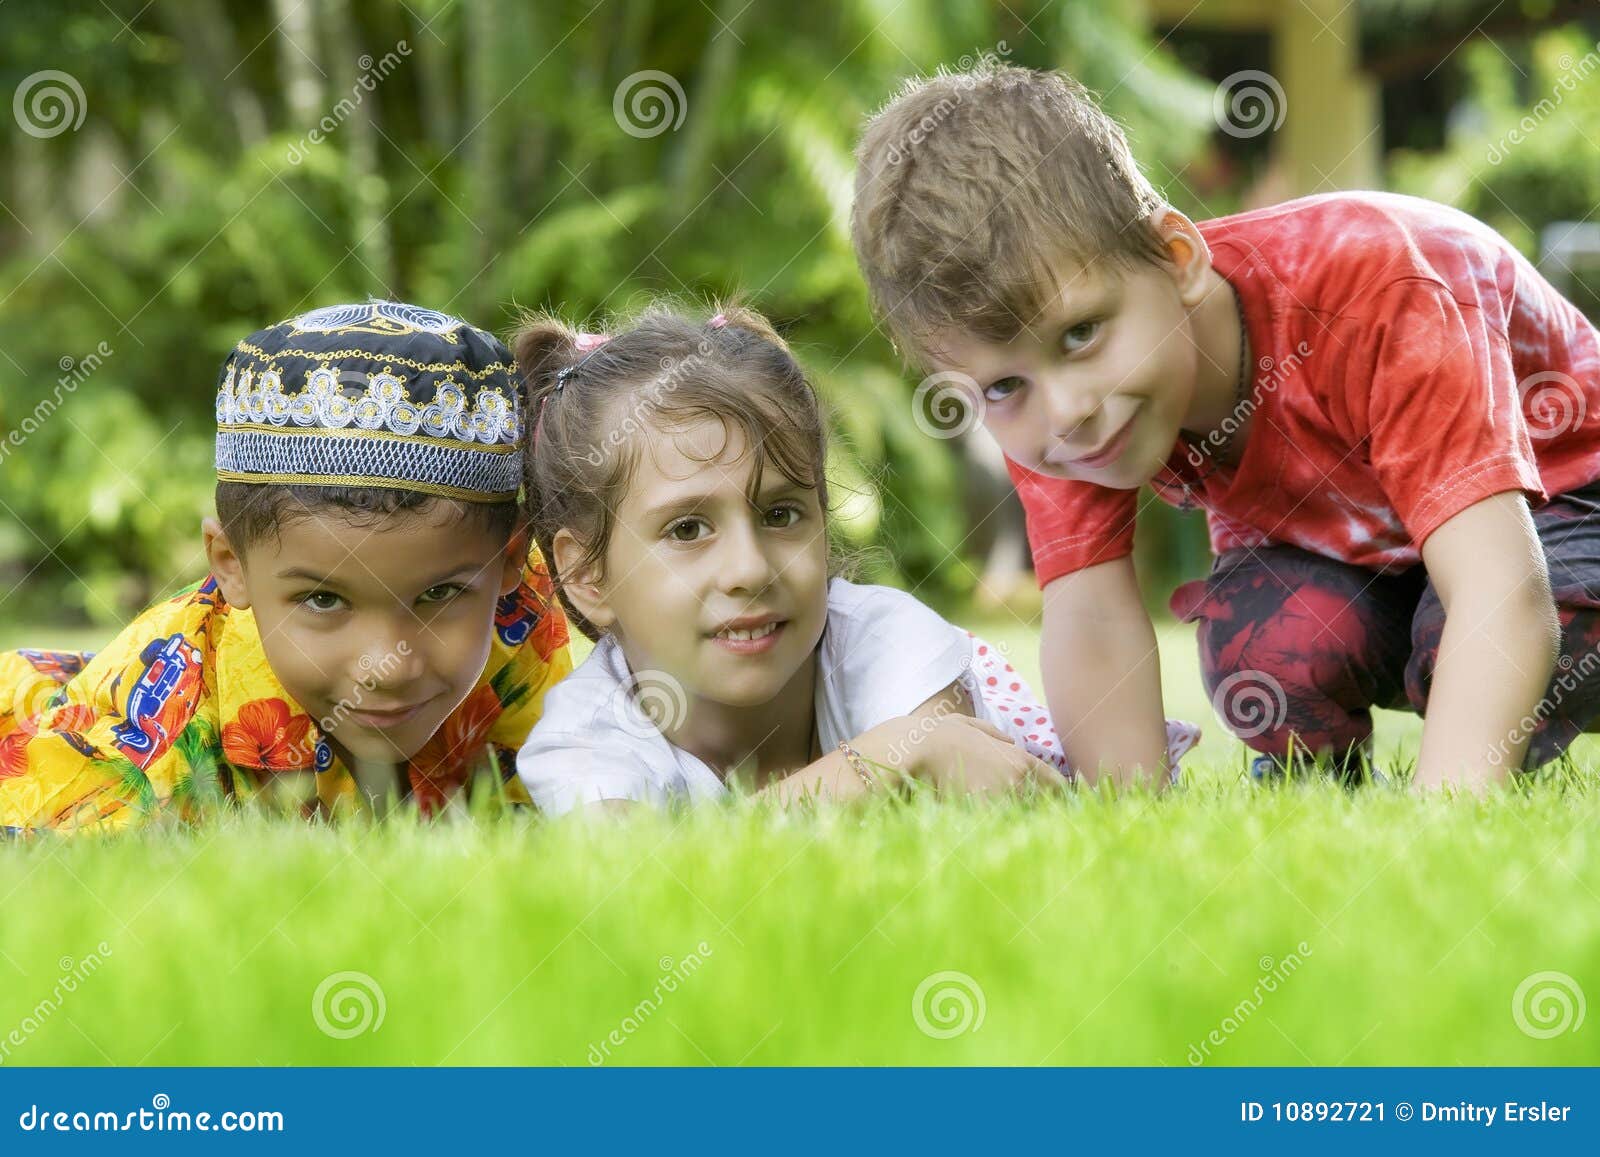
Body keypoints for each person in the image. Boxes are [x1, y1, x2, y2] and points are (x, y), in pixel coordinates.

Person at [849, 65, 1600, 791]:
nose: (1068, 409)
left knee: (1465, 636)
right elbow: (1092, 620)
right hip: (1386, 550)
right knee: (1263, 640)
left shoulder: (1377, 287)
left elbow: (1501, 590)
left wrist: (1444, 825)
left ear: (1177, 257)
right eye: (1005, 385)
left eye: (1081, 334)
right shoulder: (1052, 407)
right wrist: (1126, 824)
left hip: (1560, 512)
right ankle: (1318, 784)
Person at [510, 303, 1199, 816]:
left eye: (781, 515)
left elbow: (962, 809)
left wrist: (918, 748)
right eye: (688, 529)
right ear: (586, 575)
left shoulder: (883, 640)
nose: (750, 569)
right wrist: (894, 753)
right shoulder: (585, 735)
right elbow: (646, 879)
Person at [0, 301, 572, 834]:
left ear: (512, 563)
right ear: (232, 566)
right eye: (324, 600)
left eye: (440, 594)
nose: (386, 667)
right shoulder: (161, 734)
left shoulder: (520, 622)